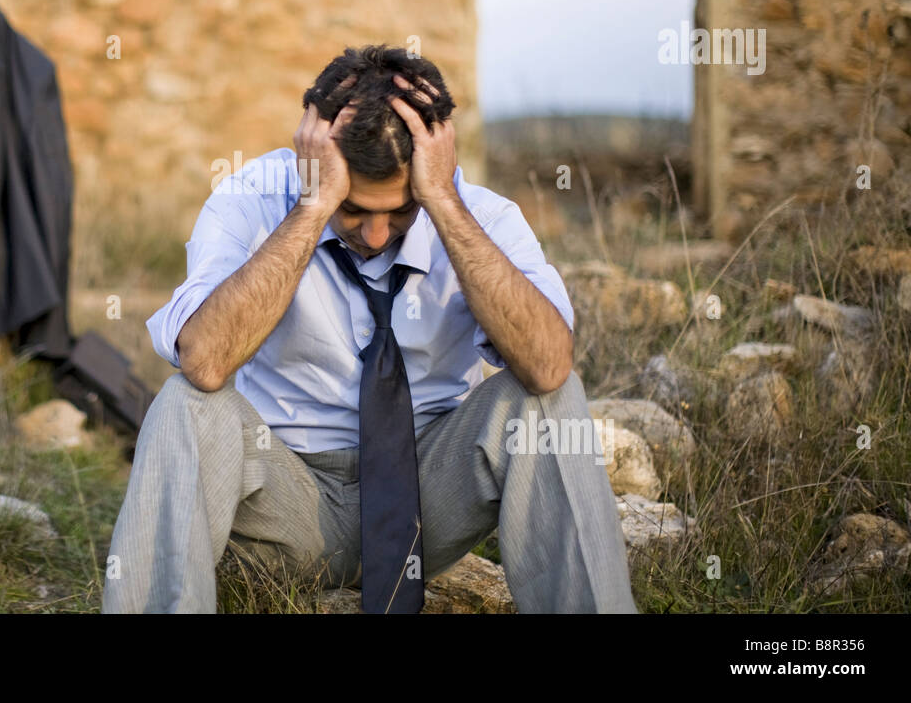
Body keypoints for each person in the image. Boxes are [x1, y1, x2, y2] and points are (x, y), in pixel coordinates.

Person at [102, 44, 637, 613]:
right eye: (355, 210)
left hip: (426, 499)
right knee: (186, 403)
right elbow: (204, 361)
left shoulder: (482, 216)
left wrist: (442, 201)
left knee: (545, 404)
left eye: (400, 212)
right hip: (284, 495)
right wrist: (313, 207)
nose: (378, 236)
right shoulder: (250, 200)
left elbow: (550, 364)